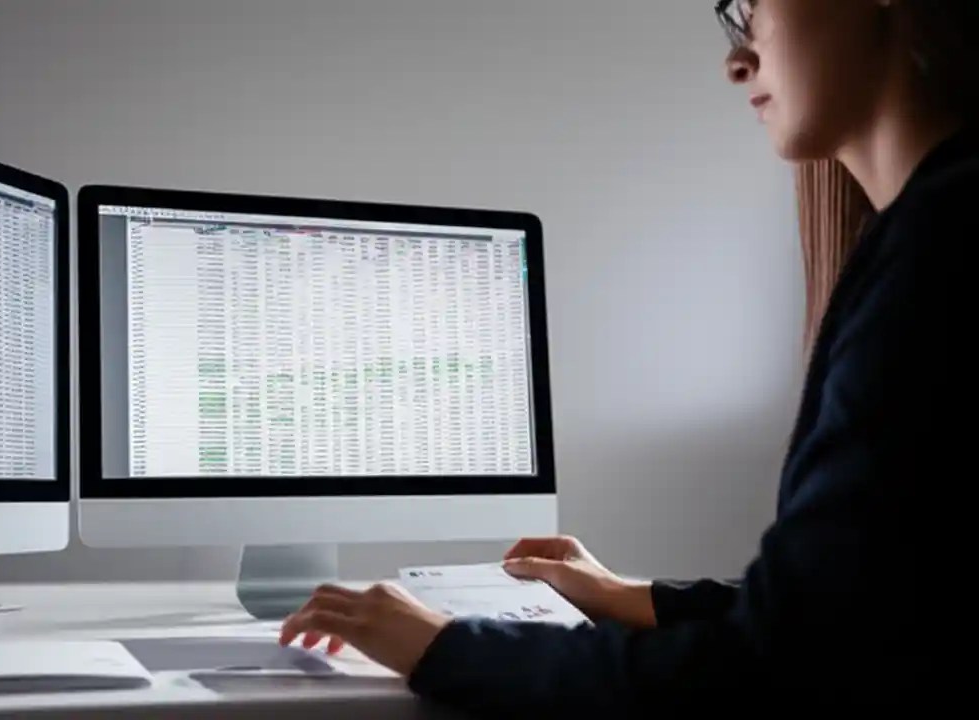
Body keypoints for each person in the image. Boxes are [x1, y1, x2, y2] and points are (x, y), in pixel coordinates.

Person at [279, 0, 978, 714]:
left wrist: (443, 648)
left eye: (753, 7)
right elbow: (860, 610)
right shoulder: (930, 230)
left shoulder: (939, 254)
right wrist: (632, 597)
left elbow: (765, 671)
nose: (738, 61)